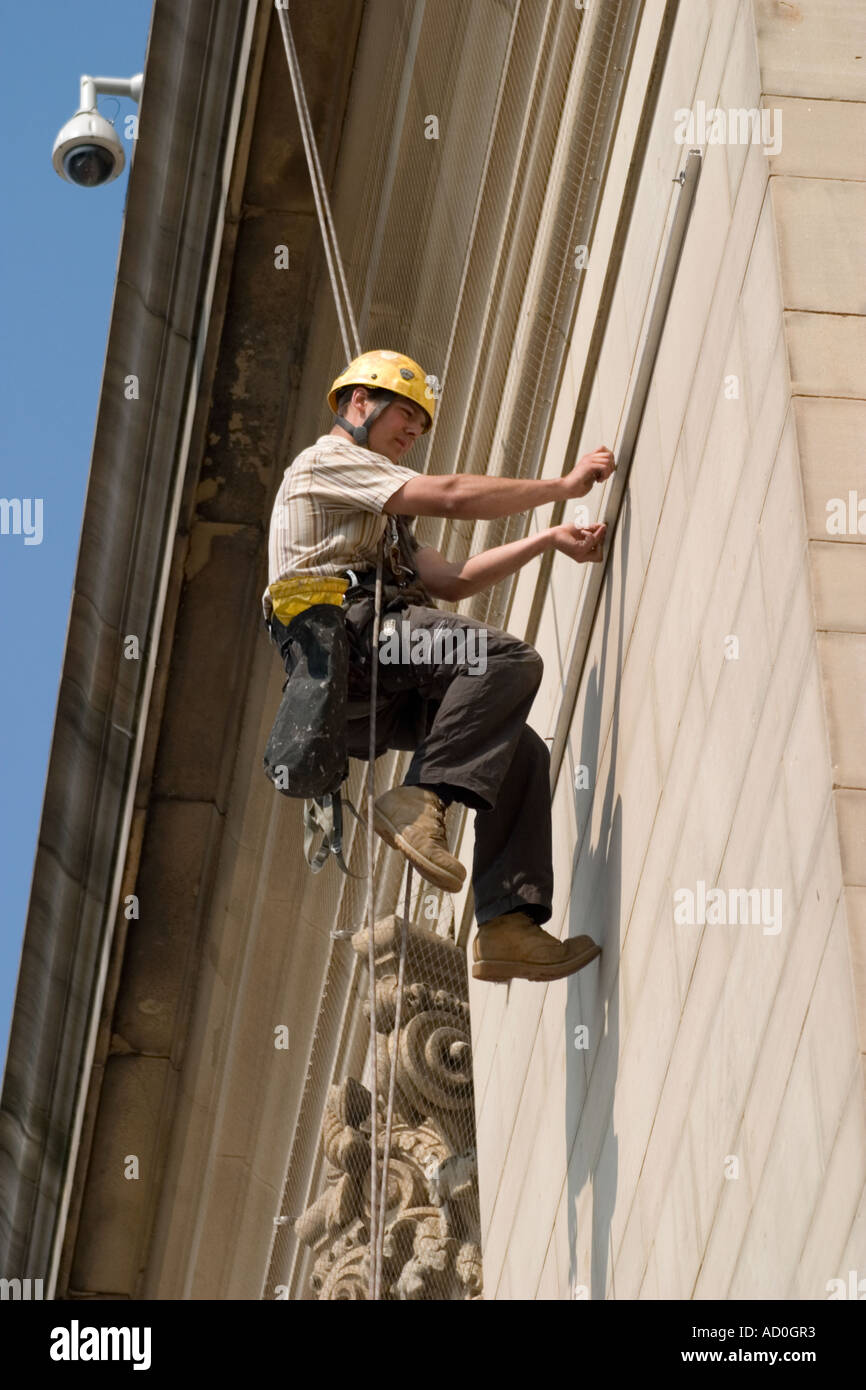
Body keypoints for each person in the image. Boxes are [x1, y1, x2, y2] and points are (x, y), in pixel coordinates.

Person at [263, 349, 615, 983]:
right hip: (358, 639)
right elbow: (451, 494)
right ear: (359, 403)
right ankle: (416, 801)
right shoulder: (328, 461)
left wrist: (546, 538)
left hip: (373, 679)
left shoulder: (379, 517)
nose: (412, 434)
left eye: (422, 427)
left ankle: (507, 923)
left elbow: (451, 580)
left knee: (520, 754)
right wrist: (561, 487)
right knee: (503, 658)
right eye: (406, 415)